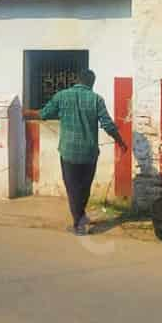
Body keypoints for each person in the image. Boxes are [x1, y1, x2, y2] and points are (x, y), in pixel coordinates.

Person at [29, 69, 126, 236]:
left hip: (69, 152)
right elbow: (108, 125)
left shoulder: (62, 96)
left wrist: (25, 113)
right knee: (84, 187)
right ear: (92, 83)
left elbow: (44, 113)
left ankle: (79, 224)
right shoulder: (97, 100)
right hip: (89, 153)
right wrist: (120, 142)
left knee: (72, 188)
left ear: (77, 79)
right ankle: (81, 217)